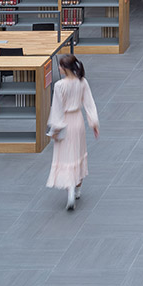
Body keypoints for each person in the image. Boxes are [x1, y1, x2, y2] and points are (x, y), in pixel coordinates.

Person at [46, 53, 99, 210]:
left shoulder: (59, 86)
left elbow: (56, 109)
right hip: (78, 122)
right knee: (78, 153)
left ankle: (69, 190)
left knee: (65, 156)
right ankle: (77, 188)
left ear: (65, 68)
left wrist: (55, 128)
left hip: (65, 122)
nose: (58, 68)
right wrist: (94, 123)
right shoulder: (82, 82)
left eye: (60, 66)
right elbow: (90, 104)